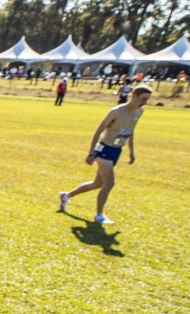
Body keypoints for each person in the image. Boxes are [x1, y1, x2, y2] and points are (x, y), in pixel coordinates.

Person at [58, 85, 152, 224]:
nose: (145, 102)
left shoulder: (139, 112)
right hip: (104, 149)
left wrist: (131, 151)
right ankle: (99, 215)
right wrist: (91, 153)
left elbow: (130, 131)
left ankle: (67, 195)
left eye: (147, 99)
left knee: (97, 184)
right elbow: (98, 132)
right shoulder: (116, 111)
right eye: (143, 98)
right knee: (109, 183)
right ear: (134, 95)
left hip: (116, 150)